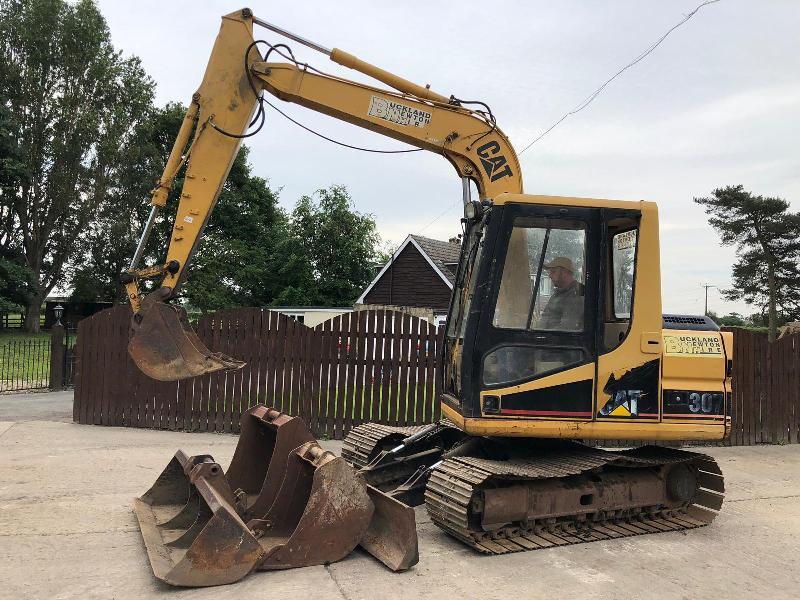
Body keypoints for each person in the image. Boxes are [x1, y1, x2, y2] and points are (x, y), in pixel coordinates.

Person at [537, 256, 584, 330]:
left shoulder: (576, 294)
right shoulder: (559, 292)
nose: (550, 276)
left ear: (565, 273)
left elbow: (567, 328)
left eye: (553, 272)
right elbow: (545, 316)